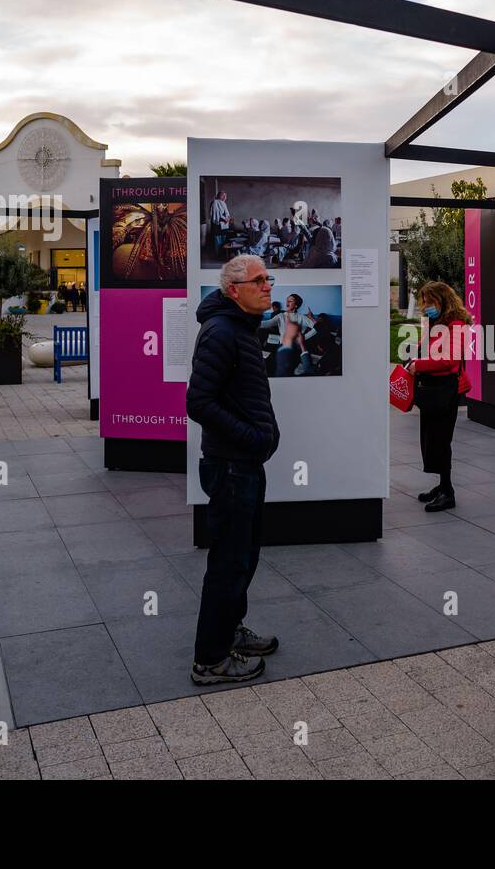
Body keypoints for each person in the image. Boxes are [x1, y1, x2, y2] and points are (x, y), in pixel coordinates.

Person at [185, 254, 282, 685]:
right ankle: (210, 658)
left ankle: (230, 632)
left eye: (268, 278)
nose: (268, 286)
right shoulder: (222, 332)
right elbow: (198, 402)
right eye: (259, 280)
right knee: (228, 563)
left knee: (244, 558)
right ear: (233, 290)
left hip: (243, 465)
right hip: (230, 466)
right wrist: (251, 437)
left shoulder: (239, 327)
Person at [412, 280, 472, 512]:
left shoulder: (457, 324)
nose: (426, 305)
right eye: (424, 301)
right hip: (432, 388)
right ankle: (441, 486)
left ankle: (448, 492)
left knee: (441, 439)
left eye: (429, 301)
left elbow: (450, 360)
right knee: (431, 438)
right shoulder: (435, 322)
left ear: (442, 300)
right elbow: (424, 347)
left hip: (446, 389)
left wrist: (419, 365)